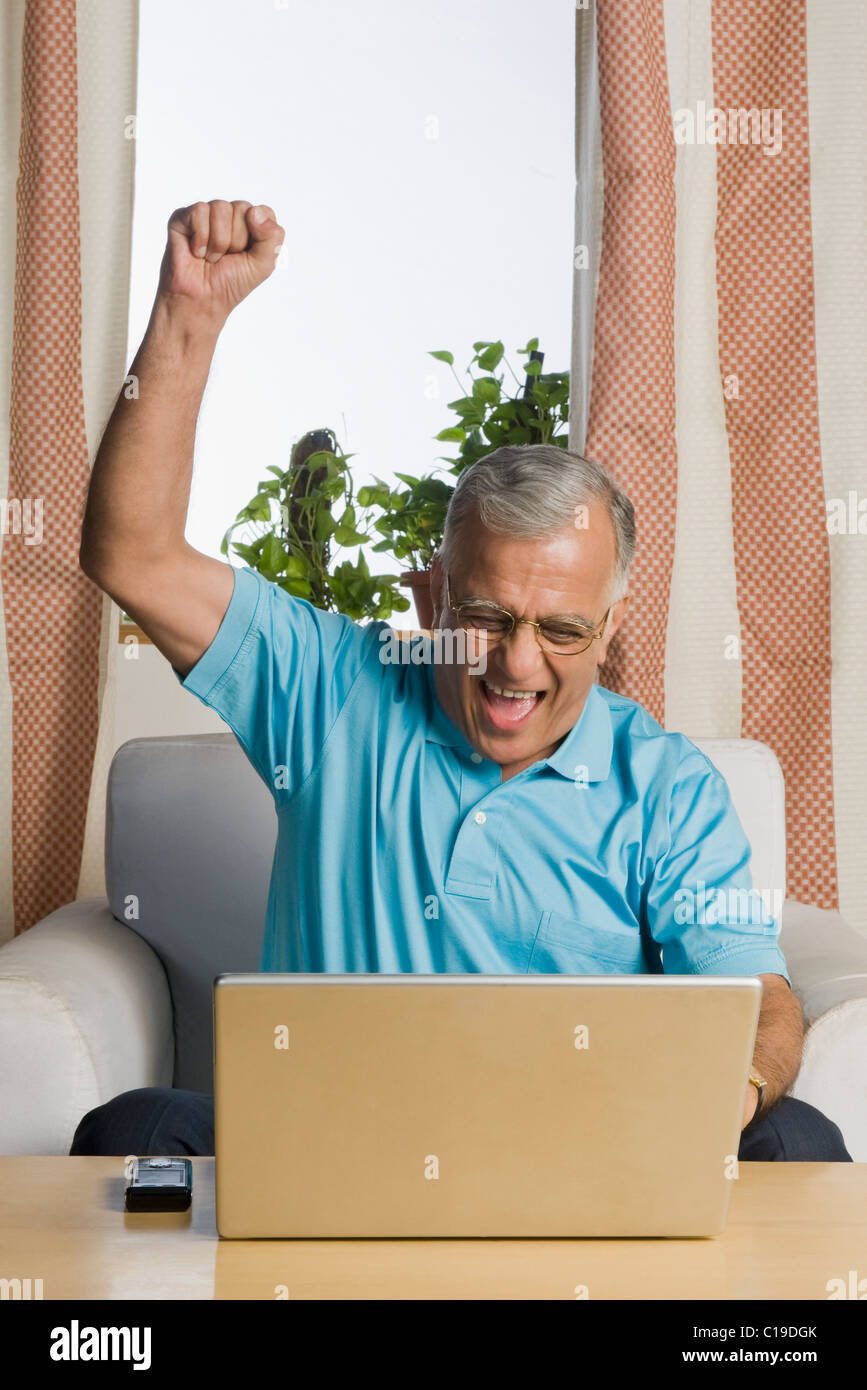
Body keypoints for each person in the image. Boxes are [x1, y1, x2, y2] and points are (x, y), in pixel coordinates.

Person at [74, 199, 850, 1163]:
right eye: (484, 618)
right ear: (431, 594)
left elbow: (759, 998)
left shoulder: (669, 789)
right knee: (134, 1131)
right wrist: (189, 316)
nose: (516, 666)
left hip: (575, 1154)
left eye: (560, 629)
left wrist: (729, 1092)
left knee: (797, 1138)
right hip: (332, 1145)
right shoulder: (331, 688)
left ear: (611, 626)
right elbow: (132, 553)